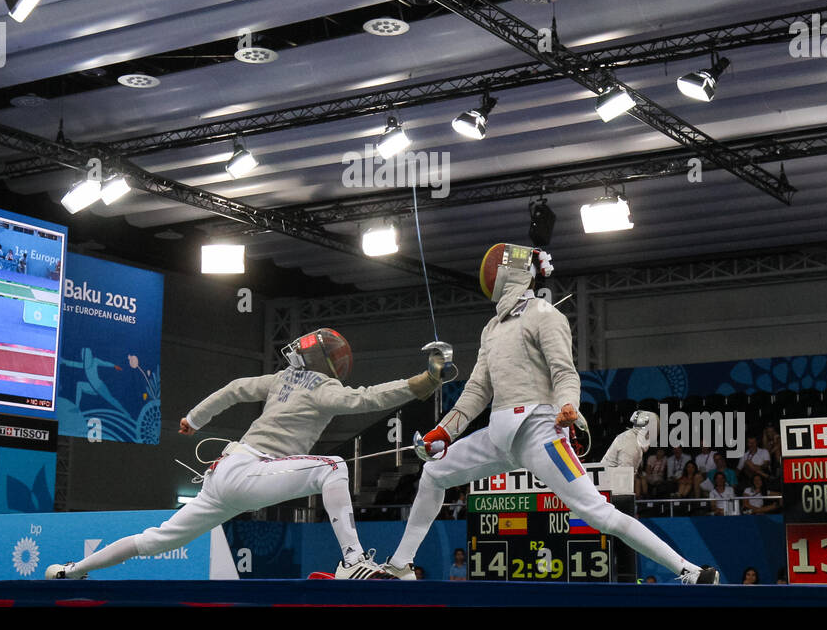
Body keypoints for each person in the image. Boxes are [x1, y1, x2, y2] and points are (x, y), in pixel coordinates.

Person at [380, 243, 717, 585]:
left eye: (496, 267)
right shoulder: (491, 329)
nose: (489, 274)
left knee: (597, 513)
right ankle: (401, 565)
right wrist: (445, 432)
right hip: (498, 436)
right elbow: (477, 390)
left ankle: (688, 570)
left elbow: (565, 373)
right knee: (434, 472)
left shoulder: (544, 314)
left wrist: (568, 404)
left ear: (512, 272)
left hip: (542, 432)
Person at [46, 328, 448, 581]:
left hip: (224, 473)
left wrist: (194, 418)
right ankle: (352, 561)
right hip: (250, 472)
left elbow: (236, 387)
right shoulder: (324, 388)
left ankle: (71, 571)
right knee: (333, 466)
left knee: (155, 540)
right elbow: (368, 398)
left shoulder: (281, 378)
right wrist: (424, 380)